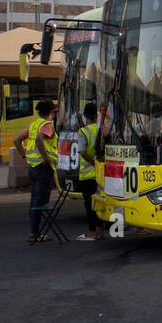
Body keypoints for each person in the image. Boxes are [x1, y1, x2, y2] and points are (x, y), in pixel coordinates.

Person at [15, 99, 58, 243]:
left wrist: (24, 154)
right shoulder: (47, 125)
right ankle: (35, 233)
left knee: (34, 200)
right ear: (51, 113)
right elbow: (40, 139)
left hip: (32, 167)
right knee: (39, 202)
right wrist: (46, 158)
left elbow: (17, 140)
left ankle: (35, 231)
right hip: (43, 167)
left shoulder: (34, 124)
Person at [74, 102, 103, 241]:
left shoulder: (83, 131)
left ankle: (92, 232)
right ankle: (100, 230)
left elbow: (82, 152)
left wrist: (94, 163)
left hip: (87, 175)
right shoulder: (102, 130)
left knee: (89, 205)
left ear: (85, 116)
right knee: (101, 205)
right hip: (101, 176)